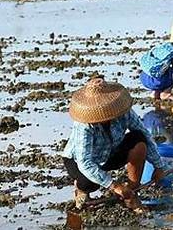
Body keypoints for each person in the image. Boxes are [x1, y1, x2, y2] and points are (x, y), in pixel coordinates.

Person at [62, 77, 166, 211]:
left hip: (110, 152)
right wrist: (114, 185)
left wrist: (158, 166)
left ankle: (131, 191)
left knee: (138, 139)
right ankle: (81, 190)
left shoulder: (122, 111)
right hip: (78, 160)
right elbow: (84, 162)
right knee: (89, 183)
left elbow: (144, 133)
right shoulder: (84, 125)